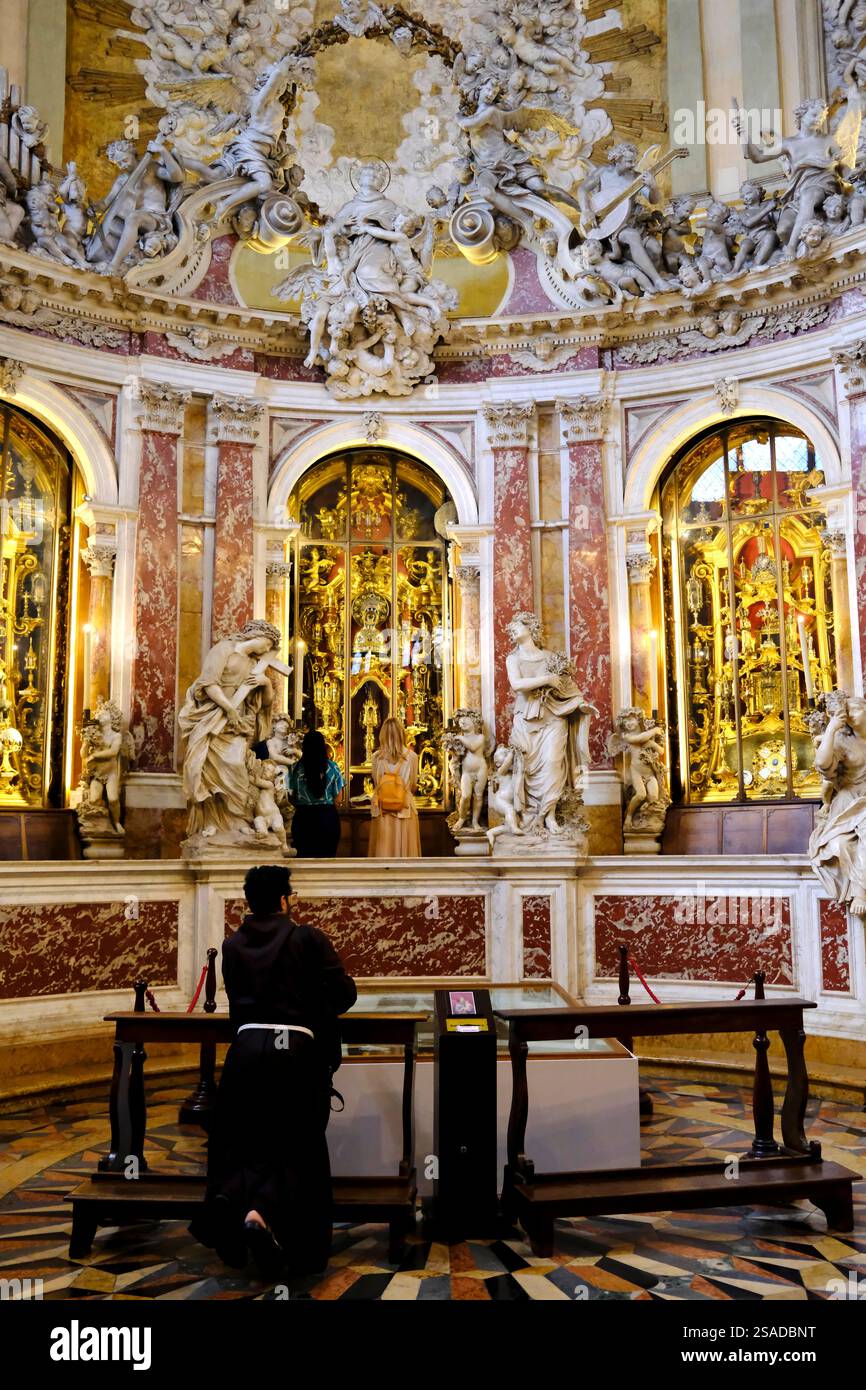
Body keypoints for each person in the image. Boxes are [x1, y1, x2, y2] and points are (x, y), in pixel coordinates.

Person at [190, 864, 357, 1278]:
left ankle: (235, 1204)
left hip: (245, 1053)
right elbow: (343, 995)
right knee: (297, 1145)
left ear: (250, 901)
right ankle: (275, 1229)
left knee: (242, 1142)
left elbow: (238, 1008)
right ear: (284, 900)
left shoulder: (232, 945)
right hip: (295, 1054)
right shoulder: (308, 938)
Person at [286, 730, 344, 857]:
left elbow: (290, 796)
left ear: (304, 747)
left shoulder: (294, 769)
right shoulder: (333, 767)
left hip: (303, 820)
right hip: (327, 819)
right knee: (326, 863)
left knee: (305, 862)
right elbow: (339, 798)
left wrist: (303, 804)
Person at [368, 716, 421, 857]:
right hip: (405, 808)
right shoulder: (412, 757)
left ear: (382, 734)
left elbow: (376, 783)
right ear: (402, 733)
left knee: (383, 850)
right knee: (406, 855)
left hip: (383, 809)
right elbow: (413, 785)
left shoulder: (376, 757)